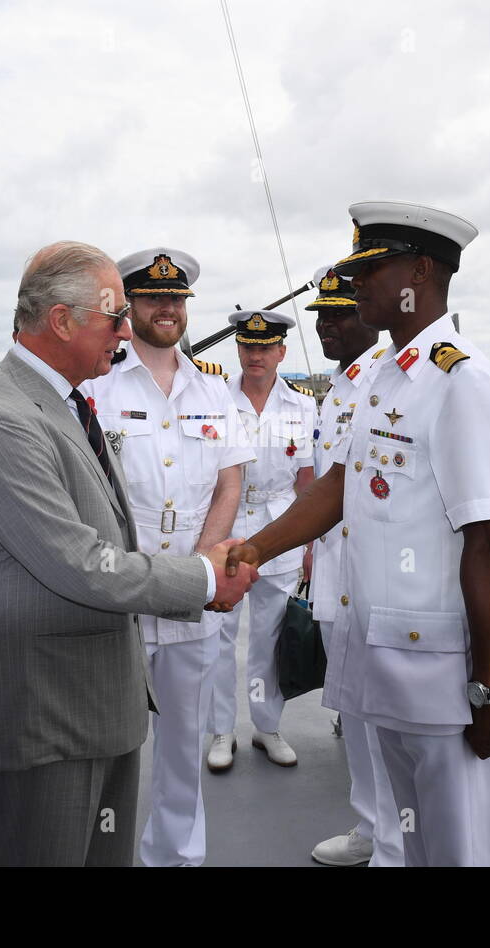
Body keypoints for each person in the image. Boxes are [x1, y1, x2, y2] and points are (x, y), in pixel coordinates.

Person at [224, 202, 490, 866]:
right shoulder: (387, 376)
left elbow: (489, 543)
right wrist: (253, 550)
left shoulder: (463, 381)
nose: (354, 283)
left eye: (370, 268)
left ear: (419, 272)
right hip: (391, 673)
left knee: (467, 856)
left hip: (453, 683)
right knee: (418, 852)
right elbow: (337, 487)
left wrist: (487, 692)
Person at [0, 242, 256, 867]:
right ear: (63, 321)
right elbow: (79, 563)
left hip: (98, 699)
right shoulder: (5, 418)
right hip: (48, 711)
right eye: (115, 316)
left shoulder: (65, 401)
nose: (123, 332)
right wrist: (202, 576)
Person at [82, 247, 255, 867]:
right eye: (154, 298)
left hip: (189, 592)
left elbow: (231, 481)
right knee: (107, 742)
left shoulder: (216, 390)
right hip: (116, 592)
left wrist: (207, 561)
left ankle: (176, 857)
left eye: (176, 299)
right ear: (129, 306)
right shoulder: (96, 387)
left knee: (182, 742)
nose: (167, 309)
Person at [302, 264, 404, 867]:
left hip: (378, 577)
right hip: (336, 576)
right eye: (320, 316)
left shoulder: (384, 381)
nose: (325, 327)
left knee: (384, 717)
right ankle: (369, 828)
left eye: (338, 314)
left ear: (367, 315)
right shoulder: (340, 385)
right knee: (355, 713)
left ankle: (394, 844)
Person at [205, 309, 318, 772]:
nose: (256, 355)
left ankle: (267, 727)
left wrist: (313, 546)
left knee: (270, 638)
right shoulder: (213, 398)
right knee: (219, 636)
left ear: (281, 352)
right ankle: (221, 730)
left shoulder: (304, 406)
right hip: (226, 528)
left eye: (265, 347)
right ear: (239, 350)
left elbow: (308, 483)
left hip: (281, 531)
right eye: (248, 346)